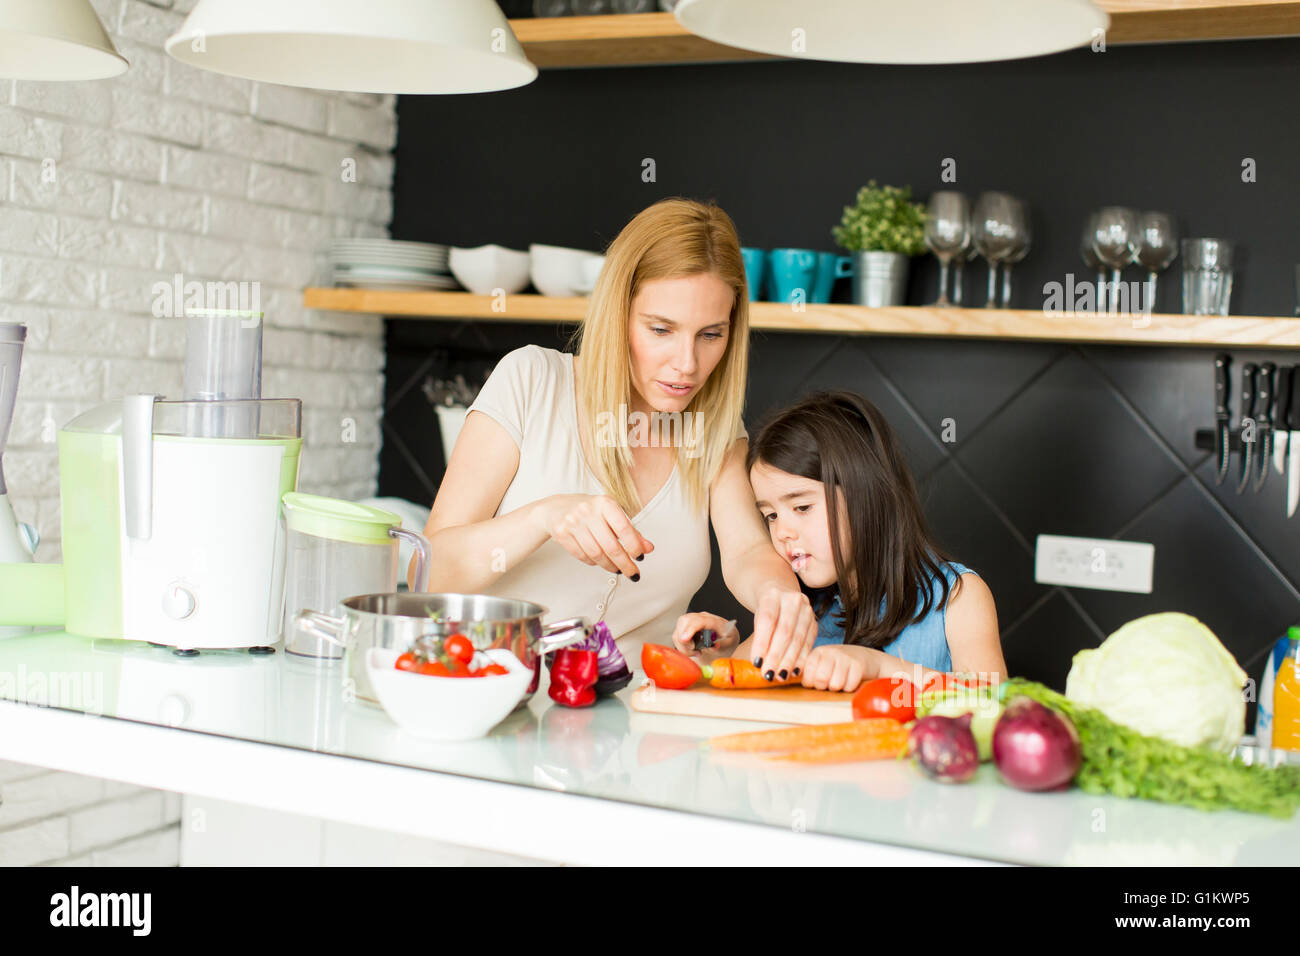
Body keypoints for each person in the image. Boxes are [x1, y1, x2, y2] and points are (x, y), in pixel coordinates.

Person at [414, 198, 816, 664]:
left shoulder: (715, 432)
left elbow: (748, 549)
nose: (687, 364)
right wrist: (542, 517)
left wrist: (777, 595)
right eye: (661, 329)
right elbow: (430, 572)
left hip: (633, 724)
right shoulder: (531, 381)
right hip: (494, 703)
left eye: (710, 334)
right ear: (618, 312)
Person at [675, 389, 1005, 693]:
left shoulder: (958, 597)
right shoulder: (804, 609)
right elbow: (732, 680)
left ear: (868, 496)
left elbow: (991, 700)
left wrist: (878, 667)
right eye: (771, 515)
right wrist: (718, 650)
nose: (782, 532)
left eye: (802, 507)